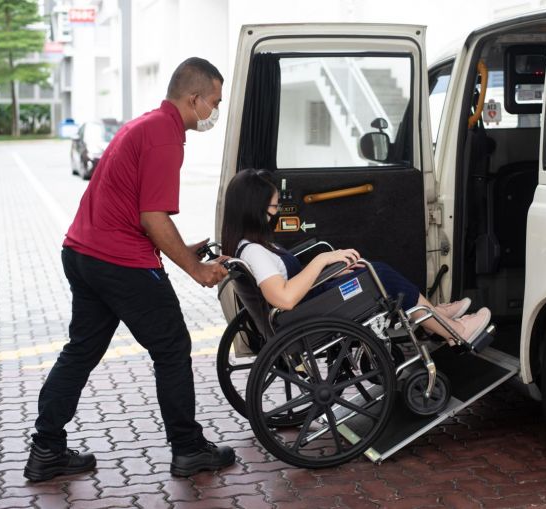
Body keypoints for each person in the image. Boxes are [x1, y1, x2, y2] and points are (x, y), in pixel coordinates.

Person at [24, 57, 234, 482]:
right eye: (214, 101)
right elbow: (152, 218)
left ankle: (46, 450)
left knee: (81, 350)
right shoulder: (165, 137)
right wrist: (196, 268)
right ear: (193, 99)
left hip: (83, 253)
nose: (215, 110)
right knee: (172, 348)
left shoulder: (142, 125)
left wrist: (181, 249)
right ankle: (189, 449)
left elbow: (137, 213)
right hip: (118, 262)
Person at [220, 169, 492, 345]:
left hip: (308, 305)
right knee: (380, 276)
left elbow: (288, 284)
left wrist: (330, 273)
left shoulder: (250, 245)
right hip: (302, 317)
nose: (277, 212)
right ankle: (452, 329)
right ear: (254, 209)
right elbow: (285, 297)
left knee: (366, 268)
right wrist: (321, 261)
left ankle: (434, 316)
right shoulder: (255, 251)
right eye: (273, 206)